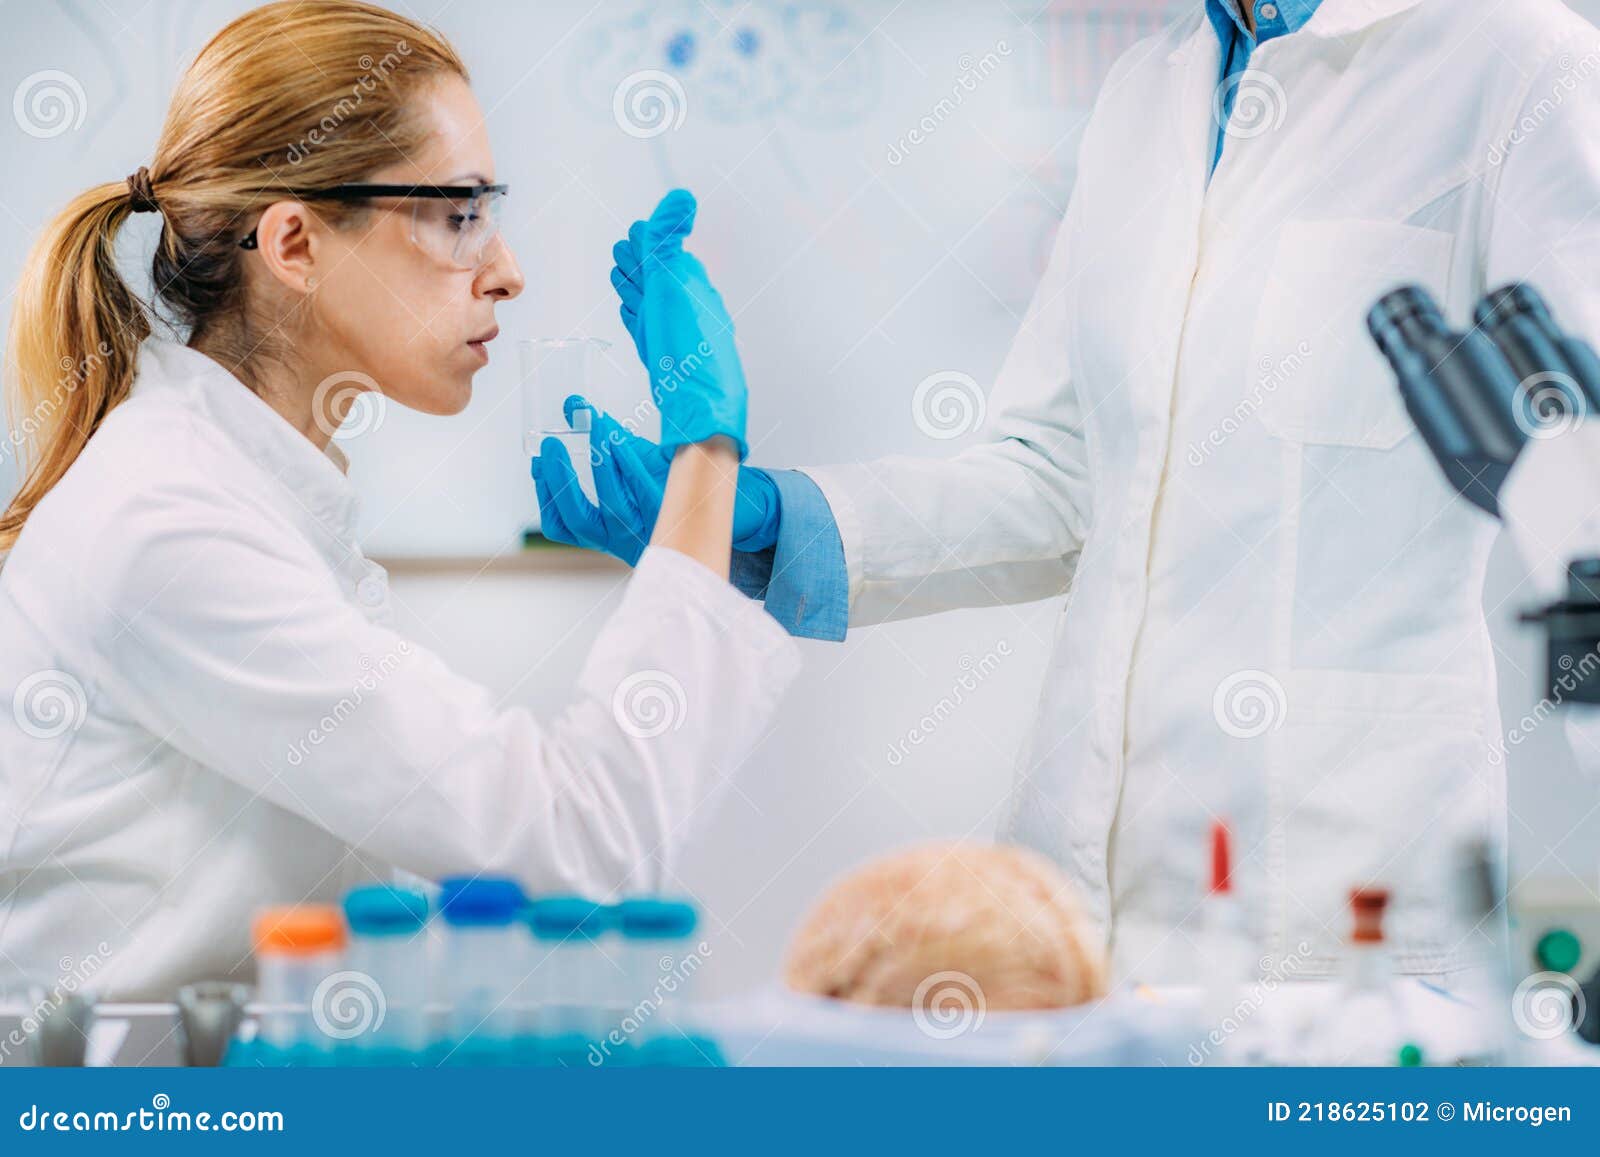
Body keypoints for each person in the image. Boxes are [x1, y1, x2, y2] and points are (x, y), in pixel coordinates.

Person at [536, 0, 1600, 983]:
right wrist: (759, 516)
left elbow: (1584, 471)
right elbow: (1053, 474)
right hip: (1077, 895)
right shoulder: (1148, 93)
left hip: (1338, 888)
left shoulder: (1511, 62)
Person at [0, 0, 797, 1000]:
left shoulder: (239, 487)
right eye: (459, 214)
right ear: (294, 246)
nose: (504, 270)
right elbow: (581, 841)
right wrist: (706, 462)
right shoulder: (170, 521)